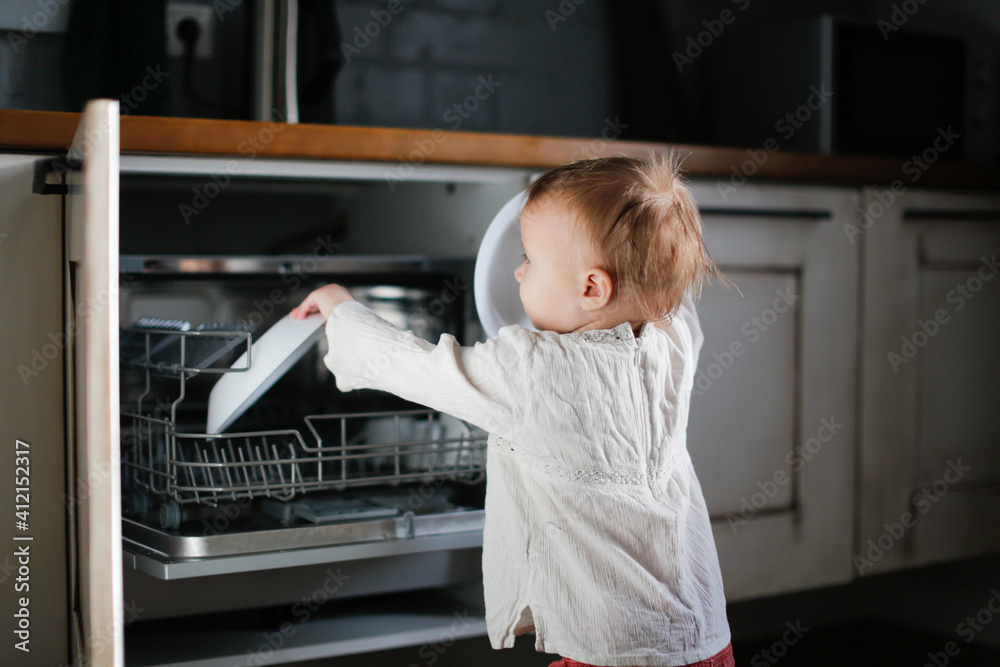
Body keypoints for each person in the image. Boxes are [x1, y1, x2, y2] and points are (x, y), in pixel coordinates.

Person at [290, 153, 737, 667]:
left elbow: (415, 367)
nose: (519, 270)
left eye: (528, 259)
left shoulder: (532, 370)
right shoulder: (672, 337)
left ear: (592, 288)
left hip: (611, 650)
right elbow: (667, 292)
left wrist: (342, 308)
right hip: (703, 638)